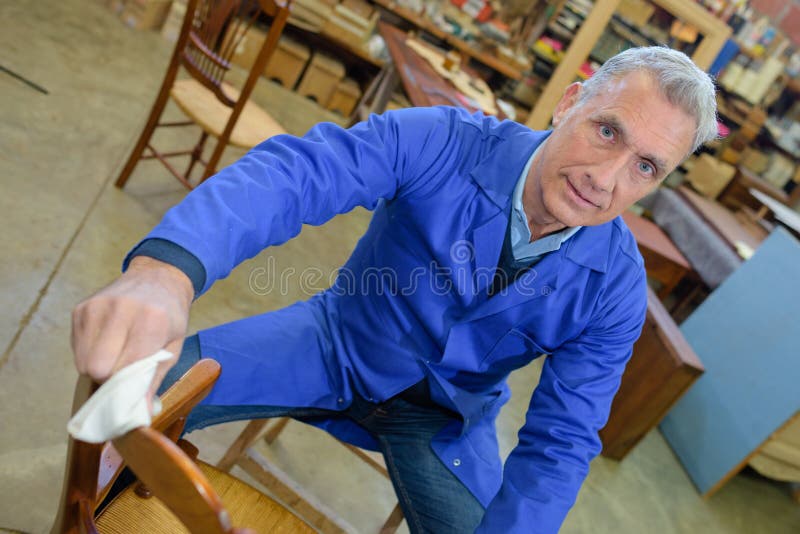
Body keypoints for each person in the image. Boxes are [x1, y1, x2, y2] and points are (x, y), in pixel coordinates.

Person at [71, 46, 717, 533]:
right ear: (570, 101)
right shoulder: (445, 140)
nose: (606, 180)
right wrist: (167, 271)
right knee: (128, 398)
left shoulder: (617, 288)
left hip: (445, 421)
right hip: (335, 343)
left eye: (645, 167)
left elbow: (563, 439)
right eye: (608, 131)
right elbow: (301, 174)